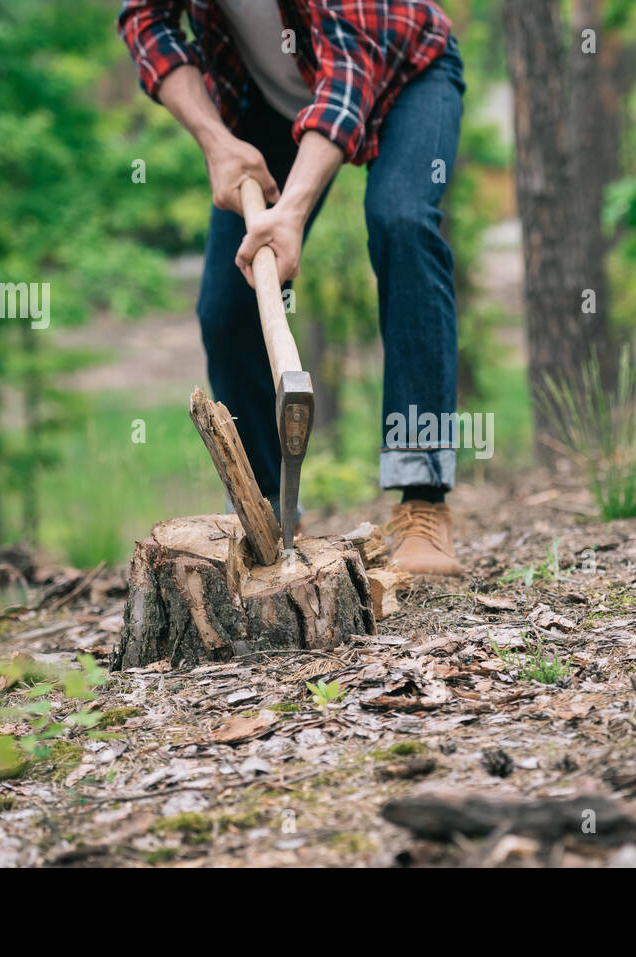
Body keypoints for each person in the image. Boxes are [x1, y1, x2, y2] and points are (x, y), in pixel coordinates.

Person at [118, 0, 467, 575]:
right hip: (273, 106)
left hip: (409, 73)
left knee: (402, 221)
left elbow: (349, 72)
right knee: (227, 308)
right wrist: (216, 140)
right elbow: (146, 22)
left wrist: (294, 210)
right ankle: (272, 516)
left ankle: (422, 499)